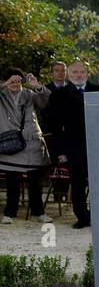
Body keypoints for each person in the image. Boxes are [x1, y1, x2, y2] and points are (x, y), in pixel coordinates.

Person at [43, 60, 99, 228]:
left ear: (87, 74)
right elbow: (54, 126)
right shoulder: (59, 95)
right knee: (78, 183)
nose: (79, 75)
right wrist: (60, 151)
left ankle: (98, 215)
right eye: (75, 72)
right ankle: (82, 217)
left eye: (82, 72)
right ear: (69, 74)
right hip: (73, 147)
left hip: (97, 145)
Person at [0, 69, 52, 224]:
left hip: (31, 142)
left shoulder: (29, 95)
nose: (15, 84)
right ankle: (10, 213)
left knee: (35, 180)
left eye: (18, 81)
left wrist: (37, 86)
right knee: (13, 179)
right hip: (11, 143)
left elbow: (47, 102)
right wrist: (6, 84)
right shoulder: (2, 96)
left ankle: (38, 213)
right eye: (11, 81)